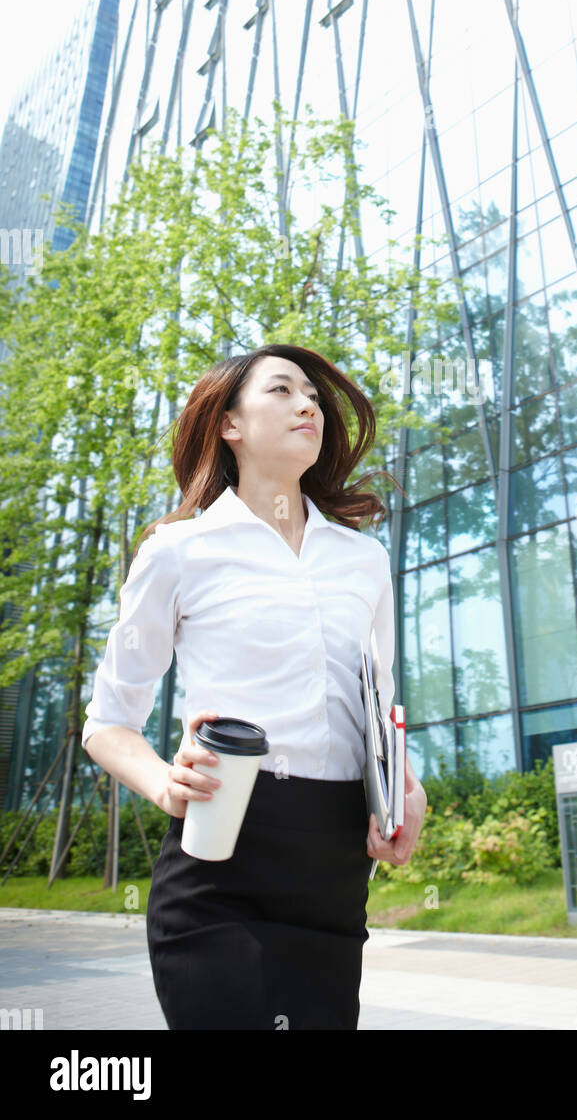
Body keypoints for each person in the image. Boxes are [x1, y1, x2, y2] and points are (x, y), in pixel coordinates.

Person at [82, 344, 427, 1030]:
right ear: (230, 425)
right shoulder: (178, 550)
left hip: (331, 868)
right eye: (282, 390)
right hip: (221, 852)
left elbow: (376, 709)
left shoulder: (363, 559)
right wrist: (165, 785)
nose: (308, 405)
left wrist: (405, 790)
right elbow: (107, 723)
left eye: (314, 396)